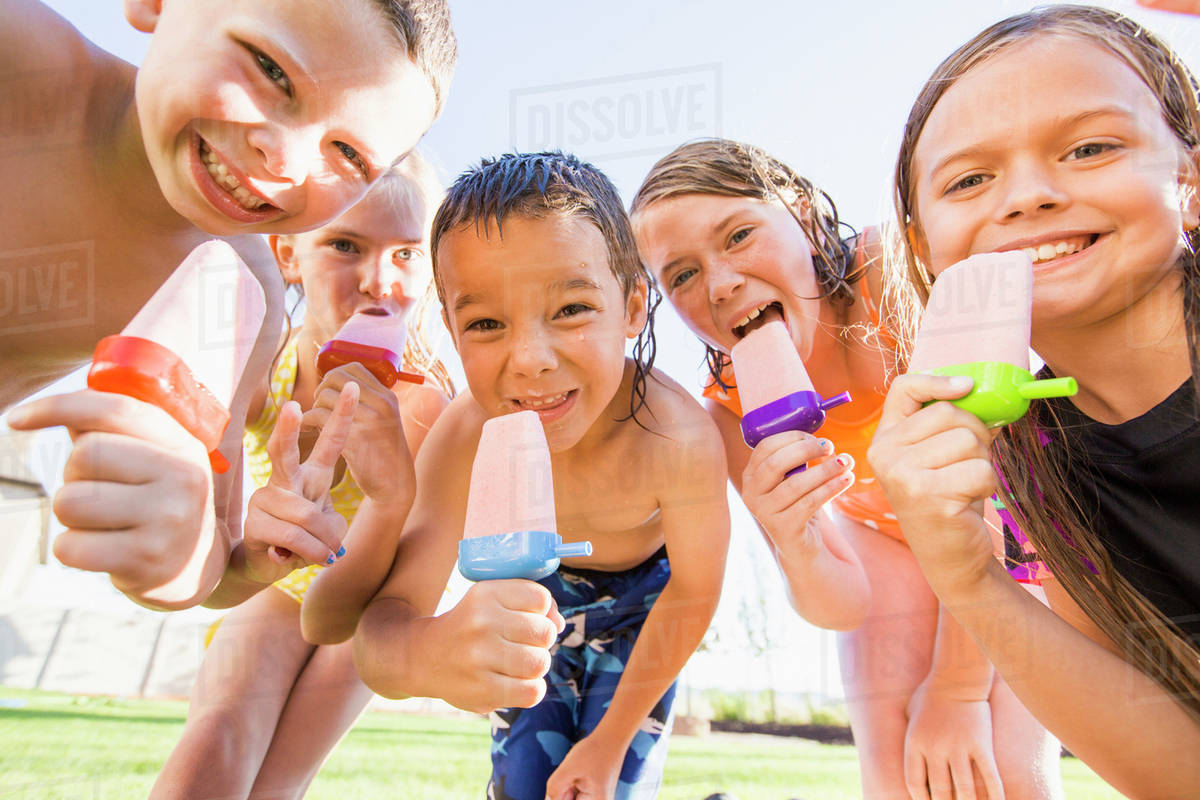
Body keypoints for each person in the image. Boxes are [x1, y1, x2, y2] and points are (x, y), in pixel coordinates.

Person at [631, 139, 1060, 799]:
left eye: (739, 235)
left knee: (1004, 769)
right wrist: (797, 541)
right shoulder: (729, 406)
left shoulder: (895, 277)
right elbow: (839, 604)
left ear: (803, 215)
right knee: (894, 775)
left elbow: (1003, 494)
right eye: (682, 275)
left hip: (1015, 524)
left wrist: (957, 689)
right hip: (881, 533)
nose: (719, 285)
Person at [1, 0, 456, 610]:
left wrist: (188, 549)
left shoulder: (239, 293)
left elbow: (213, 569)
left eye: (349, 155)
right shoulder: (17, 55)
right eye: (270, 68)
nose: (285, 162)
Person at [869, 5, 1200, 796]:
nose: (1028, 196)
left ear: (1189, 183)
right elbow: (1178, 772)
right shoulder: (1031, 460)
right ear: (922, 245)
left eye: (1091, 148)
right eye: (969, 180)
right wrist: (967, 578)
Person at [354, 152, 730, 800]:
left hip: (649, 610)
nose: (530, 360)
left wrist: (608, 743)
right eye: (486, 323)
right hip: (532, 599)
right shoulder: (465, 438)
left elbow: (695, 594)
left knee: (611, 787)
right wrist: (431, 653)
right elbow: (378, 638)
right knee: (524, 787)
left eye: (572, 309)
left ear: (632, 306)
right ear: (451, 330)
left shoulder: (679, 437)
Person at [150, 157, 454, 800]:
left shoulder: (425, 404)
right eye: (346, 245)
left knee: (278, 783)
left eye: (407, 254)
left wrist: (384, 491)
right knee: (217, 737)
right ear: (287, 255)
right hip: (275, 580)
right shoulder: (263, 366)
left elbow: (390, 566)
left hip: (371, 595)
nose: (379, 282)